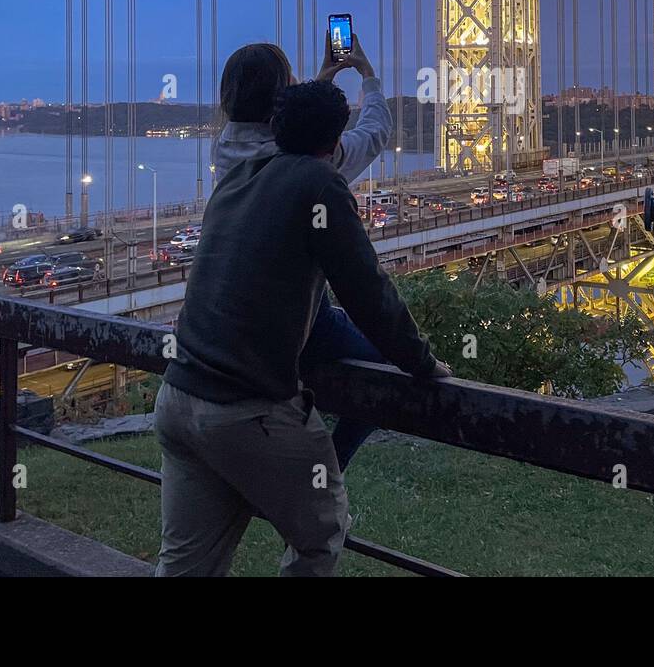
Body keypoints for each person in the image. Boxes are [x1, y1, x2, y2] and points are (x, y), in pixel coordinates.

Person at [155, 79, 449, 577]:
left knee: (186, 565)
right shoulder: (319, 184)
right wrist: (422, 362)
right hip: (247, 410)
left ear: (274, 127)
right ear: (335, 145)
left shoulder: (238, 175)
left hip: (178, 401)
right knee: (321, 533)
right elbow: (367, 291)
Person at [210, 34, 389, 469]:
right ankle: (332, 464)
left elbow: (284, 123)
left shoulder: (224, 146)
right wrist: (368, 77)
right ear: (282, 96)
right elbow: (374, 133)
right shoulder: (311, 165)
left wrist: (321, 80)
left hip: (223, 324)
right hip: (293, 323)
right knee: (387, 372)